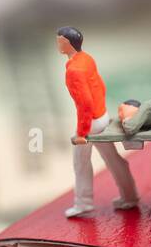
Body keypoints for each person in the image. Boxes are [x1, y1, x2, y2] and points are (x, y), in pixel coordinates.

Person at [57, 26, 139, 216]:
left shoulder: (74, 70)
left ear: (67, 43)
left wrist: (82, 133)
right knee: (113, 159)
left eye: (59, 41)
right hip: (101, 117)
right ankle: (130, 196)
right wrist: (101, 111)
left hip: (90, 123)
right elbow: (100, 87)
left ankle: (83, 203)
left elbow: (84, 103)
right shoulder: (87, 58)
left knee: (81, 163)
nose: (58, 44)